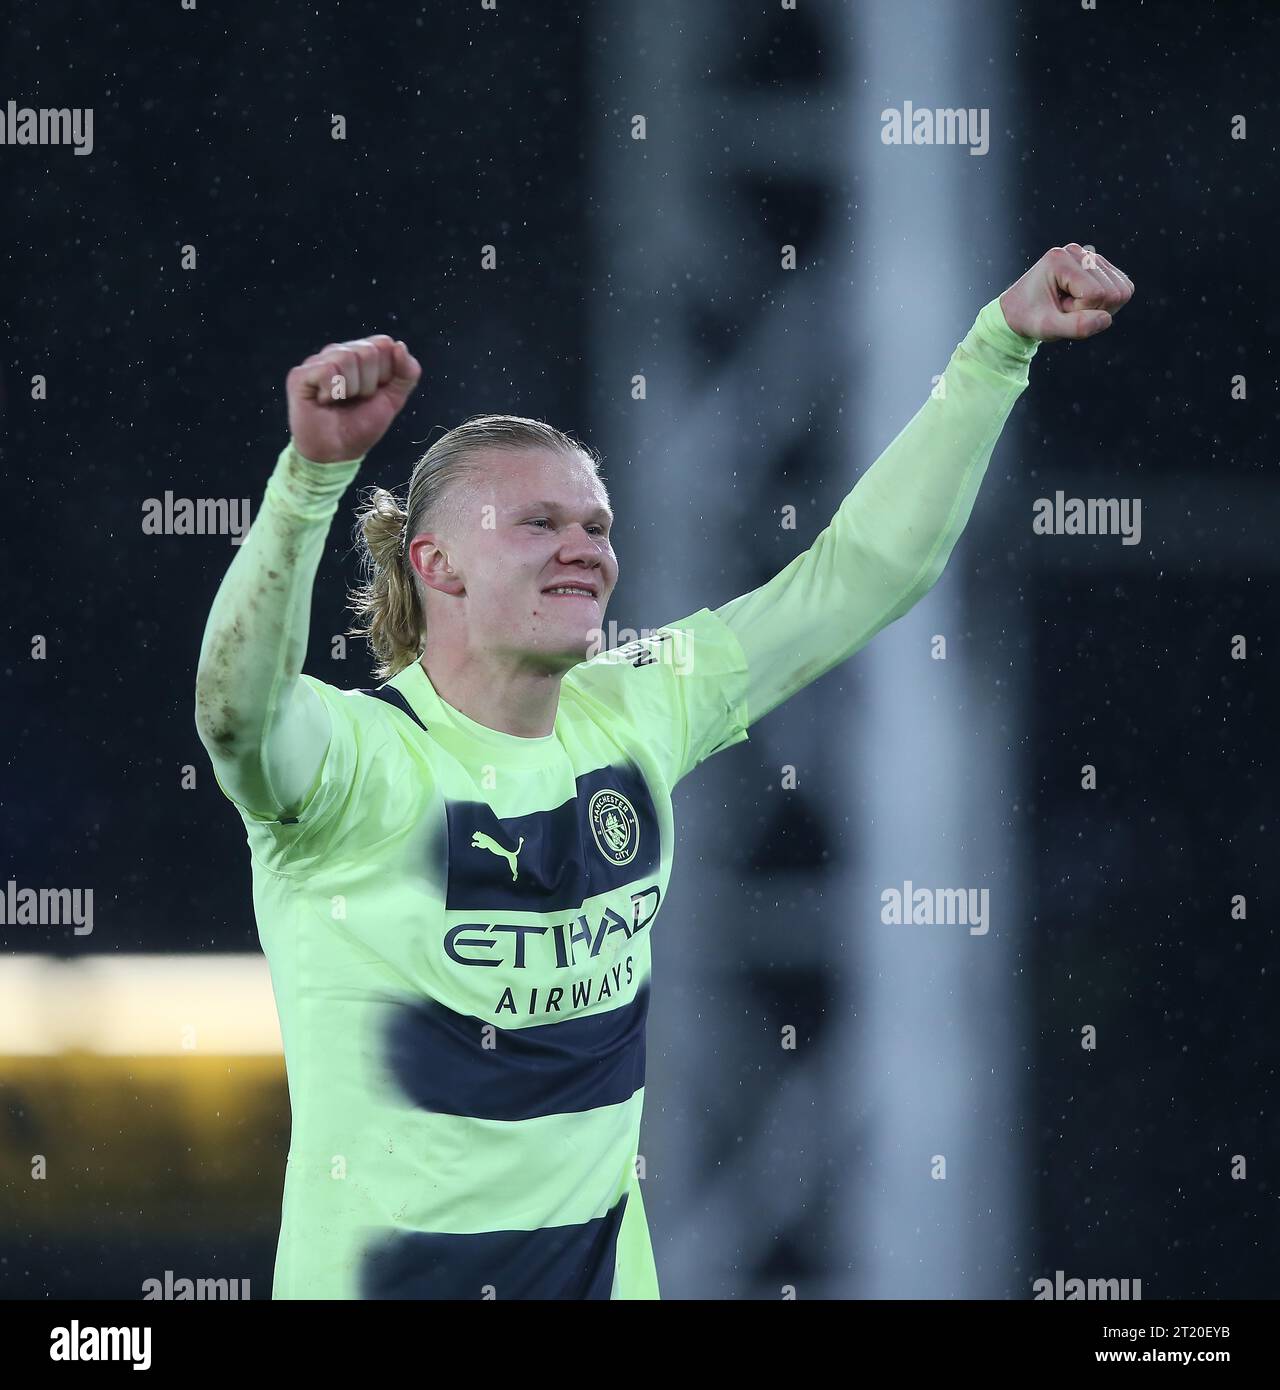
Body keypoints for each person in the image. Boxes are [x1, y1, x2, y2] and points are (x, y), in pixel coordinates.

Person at [194, 244, 1133, 1299]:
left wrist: (997, 347)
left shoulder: (637, 706)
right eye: (540, 523)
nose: (585, 548)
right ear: (435, 563)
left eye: (596, 526)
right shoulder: (354, 761)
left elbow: (857, 576)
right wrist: (308, 481)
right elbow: (235, 710)